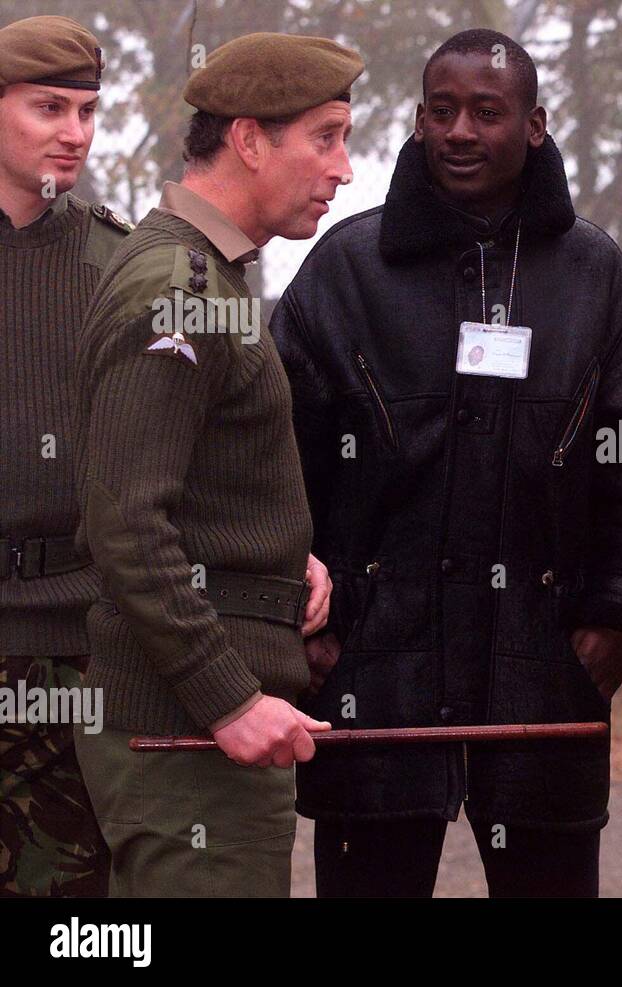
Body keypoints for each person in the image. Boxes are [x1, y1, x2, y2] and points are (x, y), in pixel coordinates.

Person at [270, 28, 622, 899]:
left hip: (543, 672)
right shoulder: (346, 269)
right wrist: (305, 618)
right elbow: (276, 464)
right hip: (372, 677)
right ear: (416, 122)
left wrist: (620, 612)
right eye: (441, 111)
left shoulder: (593, 273)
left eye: (486, 112)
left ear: (534, 125)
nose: (459, 131)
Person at [72, 32, 359, 897]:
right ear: (248, 139)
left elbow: (183, 488)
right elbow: (125, 519)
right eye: (327, 136)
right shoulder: (181, 288)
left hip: (196, 729)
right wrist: (229, 698)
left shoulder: (213, 279)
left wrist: (277, 558)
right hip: (187, 735)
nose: (344, 169)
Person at [0, 13, 123, 897]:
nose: (74, 133)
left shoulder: (118, 265)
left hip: (71, 651)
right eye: (50, 107)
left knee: (74, 920)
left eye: (86, 111)